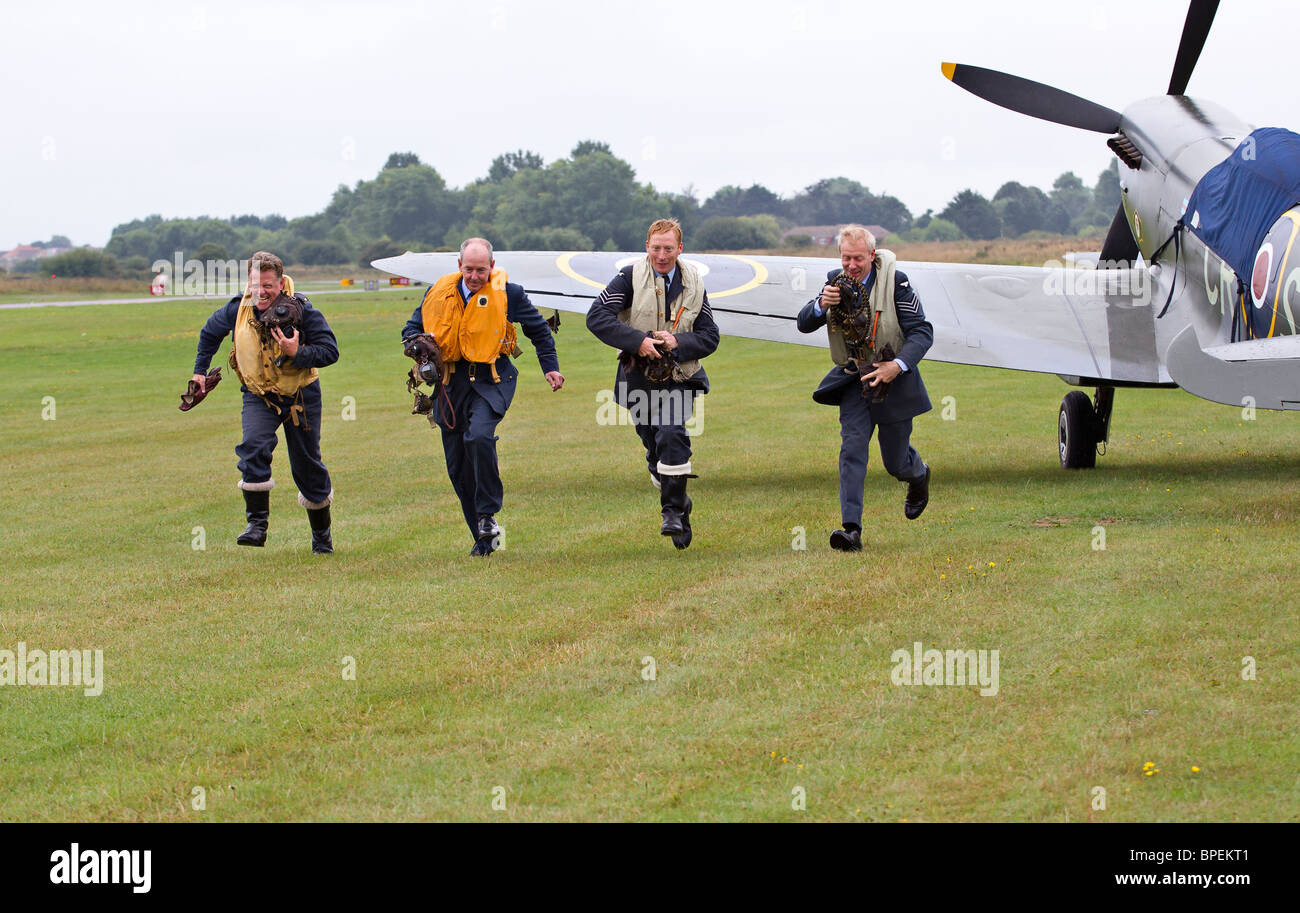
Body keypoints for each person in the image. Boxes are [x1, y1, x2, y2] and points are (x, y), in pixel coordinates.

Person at [402, 237, 564, 557]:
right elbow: (410, 330)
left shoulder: (509, 293)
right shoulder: (437, 293)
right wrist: (420, 349)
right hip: (450, 384)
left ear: (492, 266)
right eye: (469, 269)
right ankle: (482, 538)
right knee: (458, 468)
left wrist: (551, 368)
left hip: (493, 378)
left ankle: (488, 513)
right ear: (458, 266)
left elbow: (538, 330)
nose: (475, 276)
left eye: (481, 270)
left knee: (478, 436)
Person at [190, 251, 339, 553]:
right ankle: (256, 524)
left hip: (301, 396)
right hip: (258, 394)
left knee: (307, 466)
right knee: (253, 447)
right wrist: (199, 372)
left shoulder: (304, 311)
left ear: (281, 283)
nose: (261, 291)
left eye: (268, 285)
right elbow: (209, 333)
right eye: (256, 284)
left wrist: (297, 352)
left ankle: (321, 538)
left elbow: (330, 351)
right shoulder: (237, 310)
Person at [796, 225, 932, 551]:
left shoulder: (897, 283)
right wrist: (819, 305)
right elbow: (803, 323)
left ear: (872, 255)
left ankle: (918, 475)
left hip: (893, 380)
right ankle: (851, 530)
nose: (851, 265)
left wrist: (894, 366)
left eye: (858, 258)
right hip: (854, 379)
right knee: (852, 449)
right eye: (846, 258)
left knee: (895, 461)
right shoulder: (835, 281)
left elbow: (922, 333)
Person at [586, 218, 719, 549]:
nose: (662, 255)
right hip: (638, 378)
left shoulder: (695, 283)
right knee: (654, 444)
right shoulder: (628, 277)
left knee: (672, 432)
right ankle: (678, 499)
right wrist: (638, 341)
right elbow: (597, 317)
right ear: (647, 247)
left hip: (679, 376)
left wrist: (677, 343)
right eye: (656, 248)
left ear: (680, 249)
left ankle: (672, 513)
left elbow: (709, 336)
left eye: (669, 249)